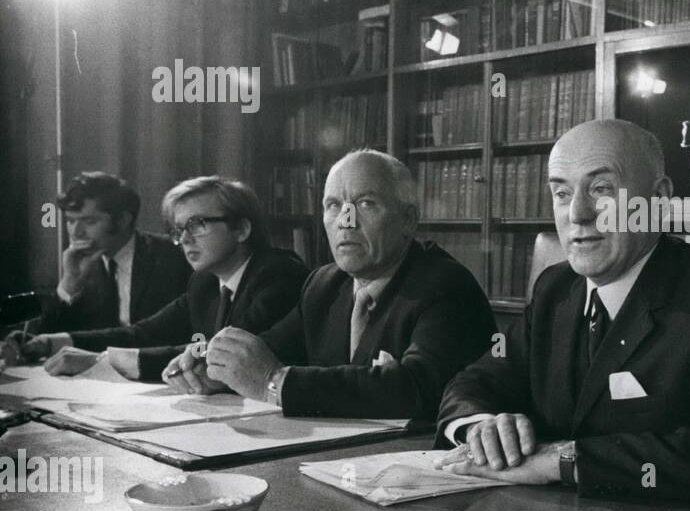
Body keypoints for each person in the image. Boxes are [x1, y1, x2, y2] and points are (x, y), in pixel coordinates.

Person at [436, 119, 690, 503]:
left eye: (601, 189)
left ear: (658, 200)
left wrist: (564, 460)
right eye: (561, 192)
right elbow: (473, 382)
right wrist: (481, 428)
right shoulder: (555, 289)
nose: (577, 214)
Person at [196, 149, 495, 419]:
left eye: (366, 203)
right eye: (334, 205)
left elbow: (416, 387)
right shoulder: (324, 284)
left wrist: (274, 383)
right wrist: (220, 365)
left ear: (408, 220)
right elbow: (269, 349)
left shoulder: (445, 286)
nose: (345, 221)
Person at [22, 176, 307, 382]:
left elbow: (224, 353)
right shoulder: (205, 283)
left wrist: (103, 360)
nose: (184, 238)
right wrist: (54, 341)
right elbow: (144, 333)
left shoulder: (278, 273)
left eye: (197, 225)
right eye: (179, 228)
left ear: (242, 230)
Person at [3, 172, 189, 358]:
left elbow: (174, 334)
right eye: (70, 220)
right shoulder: (79, 264)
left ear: (123, 220)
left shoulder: (174, 256)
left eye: (89, 221)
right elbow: (50, 336)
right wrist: (68, 285)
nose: (76, 232)